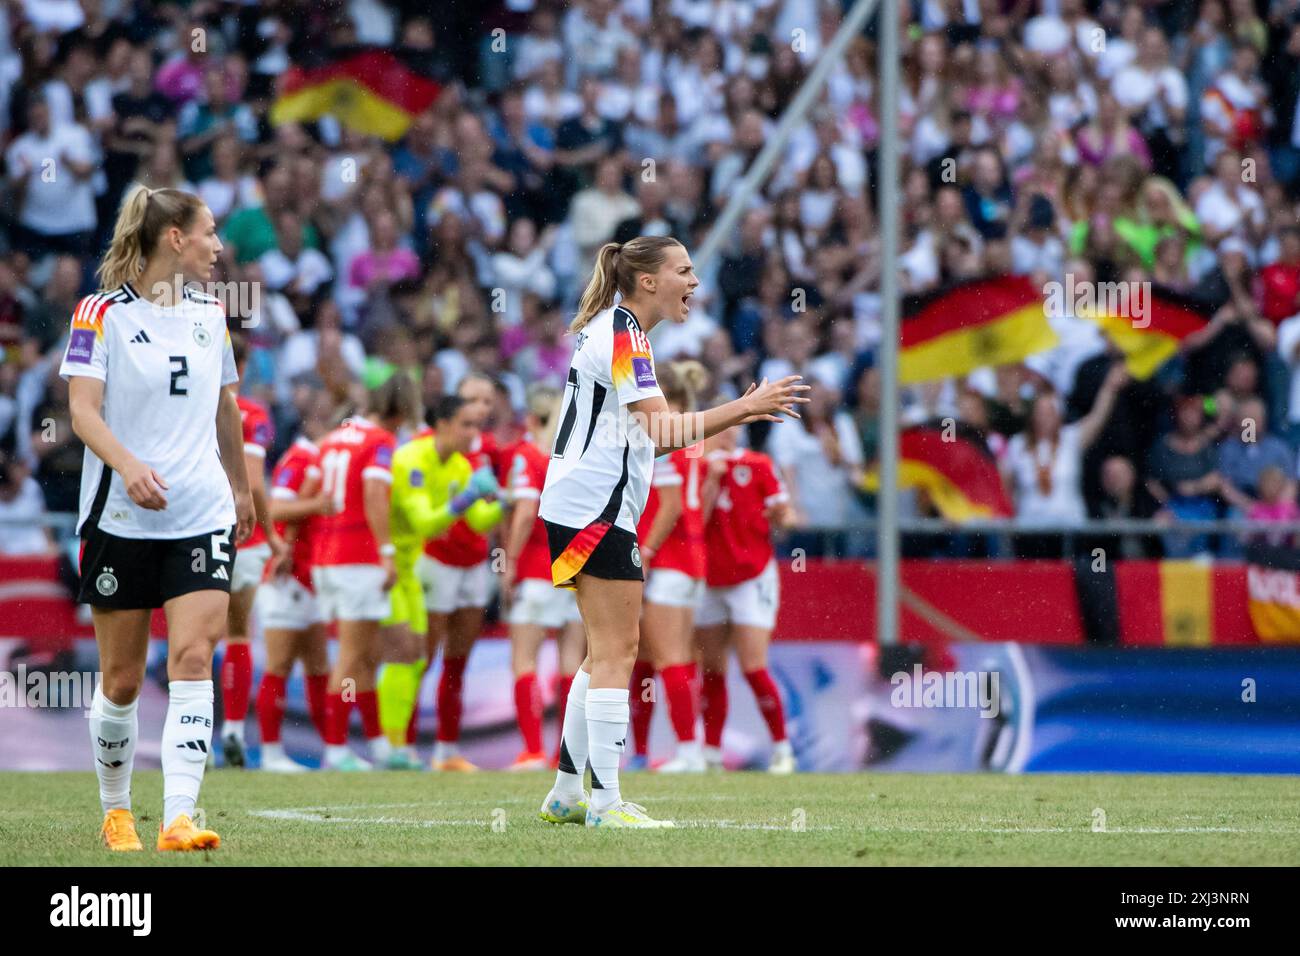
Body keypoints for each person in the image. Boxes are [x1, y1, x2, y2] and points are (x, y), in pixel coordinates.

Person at [536, 236, 808, 829]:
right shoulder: (625, 332)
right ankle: (605, 803)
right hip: (595, 507)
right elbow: (661, 433)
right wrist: (744, 406)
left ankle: (564, 792)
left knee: (600, 653)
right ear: (649, 280)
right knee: (619, 652)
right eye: (684, 270)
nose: (695, 282)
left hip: (583, 503)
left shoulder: (613, 328)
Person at [62, 184, 253, 851]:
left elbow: (226, 405)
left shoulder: (210, 314)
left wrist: (241, 487)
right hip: (122, 515)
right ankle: (117, 812)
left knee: (195, 657)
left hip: (201, 512)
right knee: (119, 679)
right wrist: (130, 465)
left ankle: (178, 816)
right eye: (209, 233)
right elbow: (82, 410)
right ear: (176, 237)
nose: (218, 247)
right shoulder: (100, 313)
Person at [376, 393, 500, 770]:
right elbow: (425, 524)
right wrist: (465, 499)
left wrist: (508, 501)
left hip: (437, 568)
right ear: (442, 424)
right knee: (409, 657)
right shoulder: (411, 458)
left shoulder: (460, 465)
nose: (473, 434)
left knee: (434, 659)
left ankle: (424, 749)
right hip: (403, 566)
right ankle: (395, 745)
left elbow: (479, 521)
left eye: (476, 426)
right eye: (466, 425)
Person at [312, 375, 420, 770]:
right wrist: (387, 552)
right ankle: (336, 749)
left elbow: (313, 484)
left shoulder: (338, 436)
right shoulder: (379, 443)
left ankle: (378, 746)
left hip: (327, 554)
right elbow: (375, 496)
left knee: (368, 655)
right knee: (352, 656)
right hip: (357, 557)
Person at [416, 373, 506, 771]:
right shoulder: (426, 449)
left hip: (475, 563)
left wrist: (502, 555)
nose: (480, 410)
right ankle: (398, 746)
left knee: (457, 660)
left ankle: (446, 750)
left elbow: (489, 517)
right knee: (421, 656)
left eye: (487, 402)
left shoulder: (488, 452)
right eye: (473, 401)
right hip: (436, 560)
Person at [695, 425, 797, 774]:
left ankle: (782, 749)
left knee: (753, 666)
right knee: (711, 668)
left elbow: (785, 514)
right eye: (718, 429)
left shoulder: (758, 464)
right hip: (709, 578)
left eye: (731, 428)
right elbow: (692, 525)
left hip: (752, 575)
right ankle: (710, 754)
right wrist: (710, 481)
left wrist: (783, 517)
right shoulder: (694, 467)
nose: (725, 436)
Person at [628, 360, 710, 773]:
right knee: (649, 657)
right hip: (691, 560)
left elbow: (672, 505)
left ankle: (689, 750)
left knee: (668, 658)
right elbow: (700, 499)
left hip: (668, 560)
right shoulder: (694, 435)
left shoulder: (665, 433)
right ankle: (645, 752)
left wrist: (645, 551)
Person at [500, 384, 585, 769]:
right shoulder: (577, 455)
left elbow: (524, 512)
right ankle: (562, 755)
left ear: (532, 420)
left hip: (536, 567)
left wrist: (509, 564)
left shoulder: (527, 456)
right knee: (572, 663)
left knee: (524, 660)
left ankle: (532, 750)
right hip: (575, 565)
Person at [219, 331, 288, 767]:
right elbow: (254, 481)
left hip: (192, 531)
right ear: (241, 369)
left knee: (196, 638)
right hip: (245, 538)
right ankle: (231, 730)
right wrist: (274, 535)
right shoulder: (250, 413)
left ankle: (192, 737)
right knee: (238, 634)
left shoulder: (190, 407)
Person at [255, 409, 335, 772]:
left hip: (308, 577)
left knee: (319, 666)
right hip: (285, 578)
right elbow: (278, 509)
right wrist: (318, 505)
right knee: (279, 665)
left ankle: (333, 750)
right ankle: (271, 753)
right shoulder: (301, 458)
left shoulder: (317, 460)